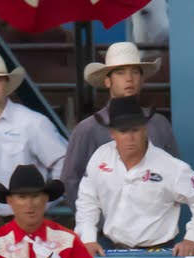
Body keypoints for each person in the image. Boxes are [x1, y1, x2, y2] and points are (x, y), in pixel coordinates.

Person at [73, 96, 194, 258]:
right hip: (109, 253)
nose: (130, 137)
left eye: (135, 129)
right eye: (123, 131)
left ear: (145, 129)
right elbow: (87, 199)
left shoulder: (169, 166)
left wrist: (193, 236)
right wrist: (87, 238)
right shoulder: (100, 157)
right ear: (112, 133)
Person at [60, 42, 179, 201]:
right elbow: (71, 181)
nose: (129, 79)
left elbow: (175, 174)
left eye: (135, 72)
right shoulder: (88, 129)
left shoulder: (159, 123)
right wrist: (97, 221)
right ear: (108, 81)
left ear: (142, 79)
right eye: (121, 73)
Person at [0, 51, 68, 220]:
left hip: (22, 222)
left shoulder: (32, 122)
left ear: (7, 85)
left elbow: (64, 163)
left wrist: (43, 203)